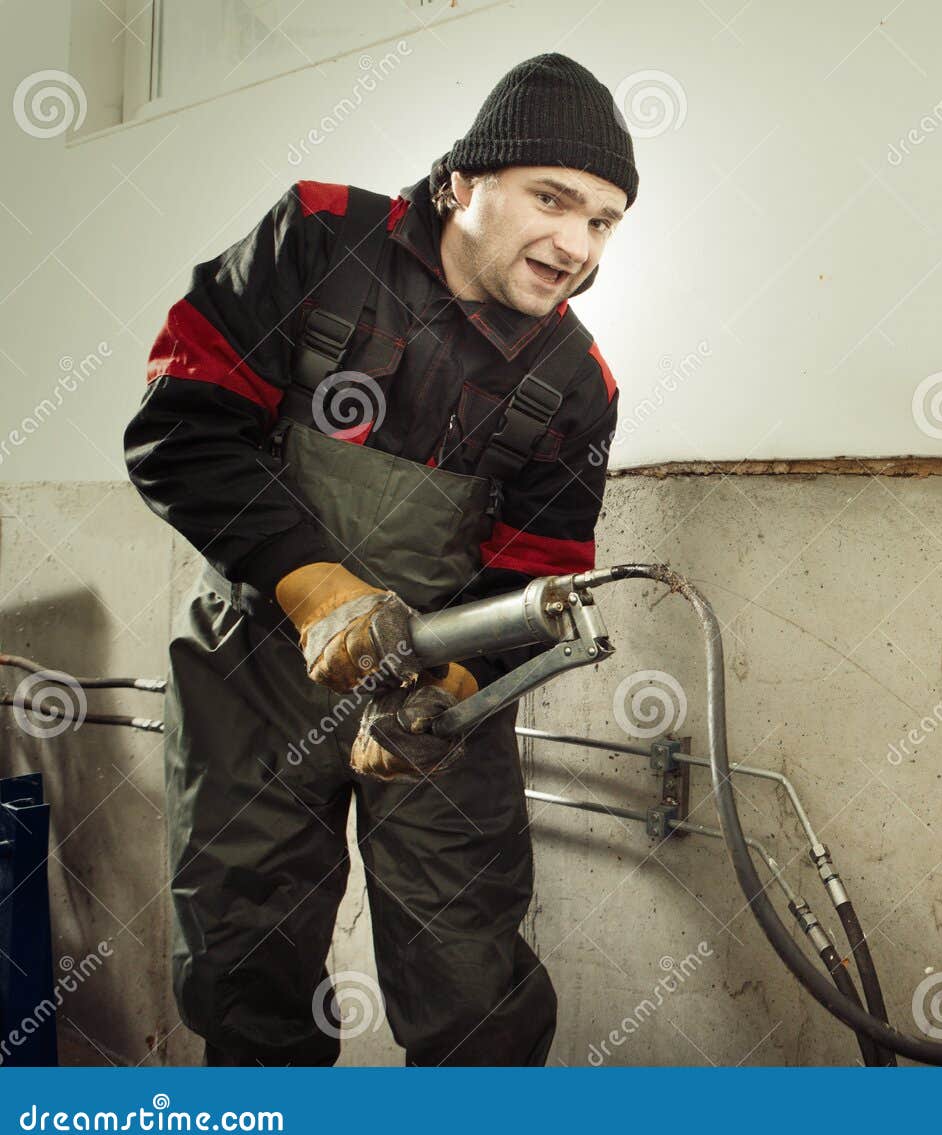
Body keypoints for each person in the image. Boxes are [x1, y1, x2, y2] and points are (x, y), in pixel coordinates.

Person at [123, 53, 637, 1066]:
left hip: (430, 686)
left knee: (474, 984)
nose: (576, 244)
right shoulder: (317, 240)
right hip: (253, 669)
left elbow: (527, 578)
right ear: (462, 183)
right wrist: (318, 587)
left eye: (604, 221)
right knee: (246, 961)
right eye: (553, 199)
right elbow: (181, 430)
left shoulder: (578, 382)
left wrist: (451, 684)